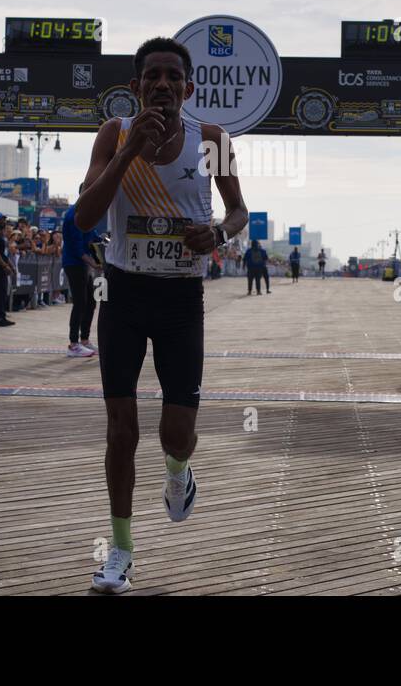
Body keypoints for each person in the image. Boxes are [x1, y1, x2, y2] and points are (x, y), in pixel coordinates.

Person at [74, 36, 248, 594]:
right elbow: (83, 217)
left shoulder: (212, 140)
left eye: (175, 77)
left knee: (177, 433)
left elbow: (239, 209)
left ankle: (179, 472)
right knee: (121, 431)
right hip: (122, 295)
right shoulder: (114, 134)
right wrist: (127, 153)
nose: (164, 85)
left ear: (189, 88)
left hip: (180, 299)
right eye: (154, 76)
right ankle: (121, 551)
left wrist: (217, 233)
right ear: (136, 87)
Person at [63, 187, 103, 356]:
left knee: (91, 303)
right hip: (74, 263)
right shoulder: (74, 215)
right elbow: (78, 248)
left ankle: (84, 340)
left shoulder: (87, 212)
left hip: (83, 264)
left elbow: (94, 237)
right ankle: (73, 344)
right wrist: (94, 264)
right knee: (80, 302)